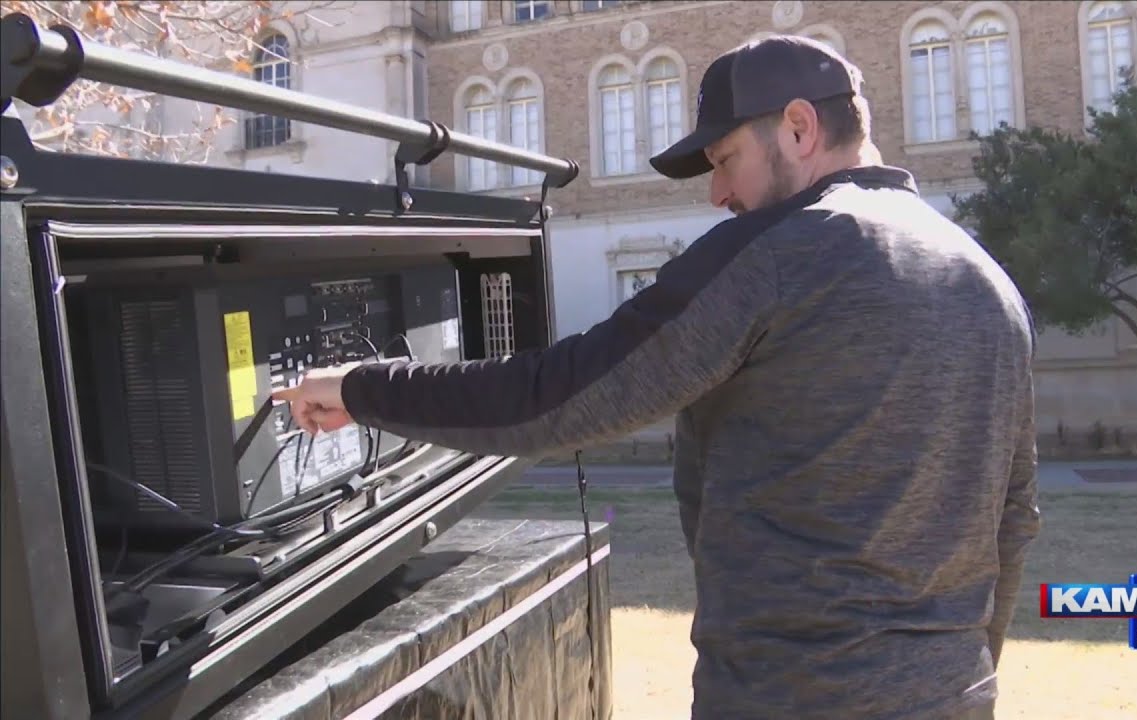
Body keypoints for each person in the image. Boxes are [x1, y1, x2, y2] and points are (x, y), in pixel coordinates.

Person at [273, 35, 1041, 720]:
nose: (718, 194)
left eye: (723, 160)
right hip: (954, 695)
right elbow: (1013, 519)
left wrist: (362, 389)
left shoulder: (777, 251)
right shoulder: (988, 281)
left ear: (800, 128)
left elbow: (561, 394)